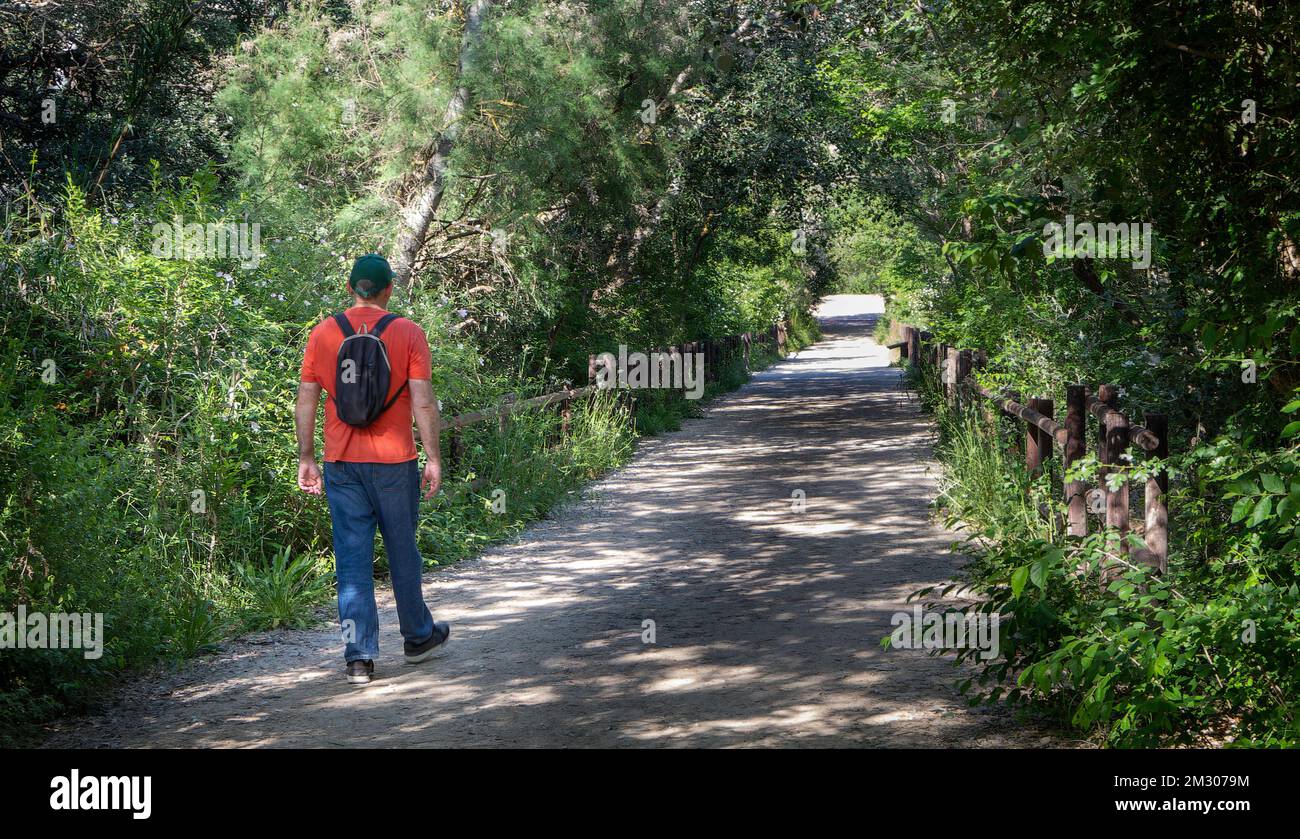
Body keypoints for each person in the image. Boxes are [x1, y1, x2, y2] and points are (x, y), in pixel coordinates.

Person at [295, 253, 450, 685]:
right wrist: (433, 457)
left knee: (351, 560)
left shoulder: (323, 333)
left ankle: (358, 657)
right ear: (389, 290)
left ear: (350, 288)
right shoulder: (408, 333)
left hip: (341, 463)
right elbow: (422, 401)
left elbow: (307, 399)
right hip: (395, 462)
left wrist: (306, 457)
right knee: (403, 551)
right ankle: (419, 637)